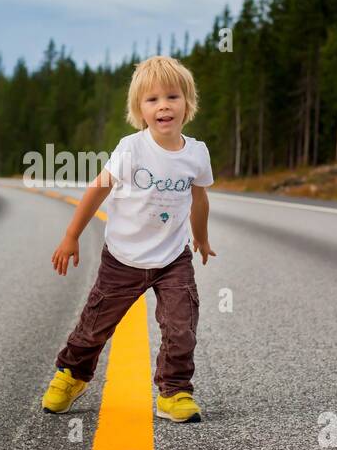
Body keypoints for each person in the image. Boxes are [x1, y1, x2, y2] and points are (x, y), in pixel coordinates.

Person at [42, 54, 216, 423]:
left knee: (181, 326)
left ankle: (175, 392)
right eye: (152, 100)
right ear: (140, 109)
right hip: (123, 258)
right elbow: (98, 189)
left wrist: (200, 238)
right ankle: (72, 375)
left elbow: (199, 199)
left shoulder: (197, 154)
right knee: (94, 326)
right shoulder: (131, 148)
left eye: (172, 96)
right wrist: (71, 236)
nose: (163, 106)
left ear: (188, 103)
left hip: (173, 259)